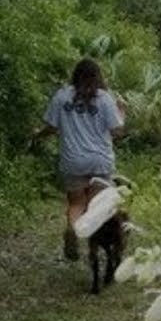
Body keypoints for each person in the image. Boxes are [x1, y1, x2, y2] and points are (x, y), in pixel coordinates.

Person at [33, 59, 125, 260]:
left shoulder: (62, 96)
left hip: (72, 160)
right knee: (96, 206)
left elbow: (51, 127)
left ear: (75, 74)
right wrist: (122, 115)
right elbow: (117, 131)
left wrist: (37, 135)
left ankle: (72, 231)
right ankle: (97, 248)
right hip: (100, 161)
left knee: (76, 203)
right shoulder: (105, 98)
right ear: (98, 76)